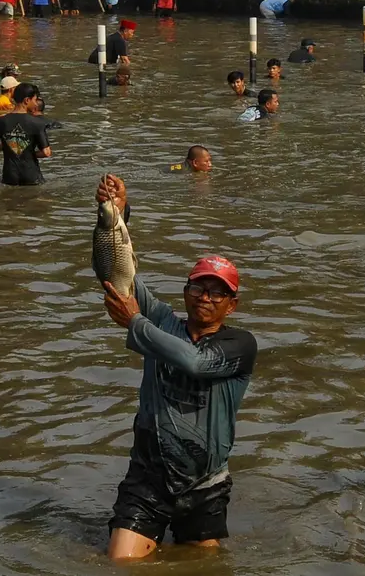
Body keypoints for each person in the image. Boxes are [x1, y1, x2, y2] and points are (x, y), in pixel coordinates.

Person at [95, 173, 257, 561]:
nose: (206, 297)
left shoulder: (239, 344)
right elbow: (117, 280)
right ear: (185, 292)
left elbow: (194, 362)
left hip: (204, 483)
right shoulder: (164, 322)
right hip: (148, 477)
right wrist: (115, 218)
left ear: (231, 305)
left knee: (206, 565)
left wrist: (136, 323)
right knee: (120, 564)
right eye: (198, 288)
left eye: (218, 292)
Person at [0, 82, 51, 186]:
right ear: (27, 100)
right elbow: (46, 152)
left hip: (9, 176)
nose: (36, 104)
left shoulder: (0, 121)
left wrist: (9, 144)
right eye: (34, 100)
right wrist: (28, 152)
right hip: (31, 175)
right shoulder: (37, 123)